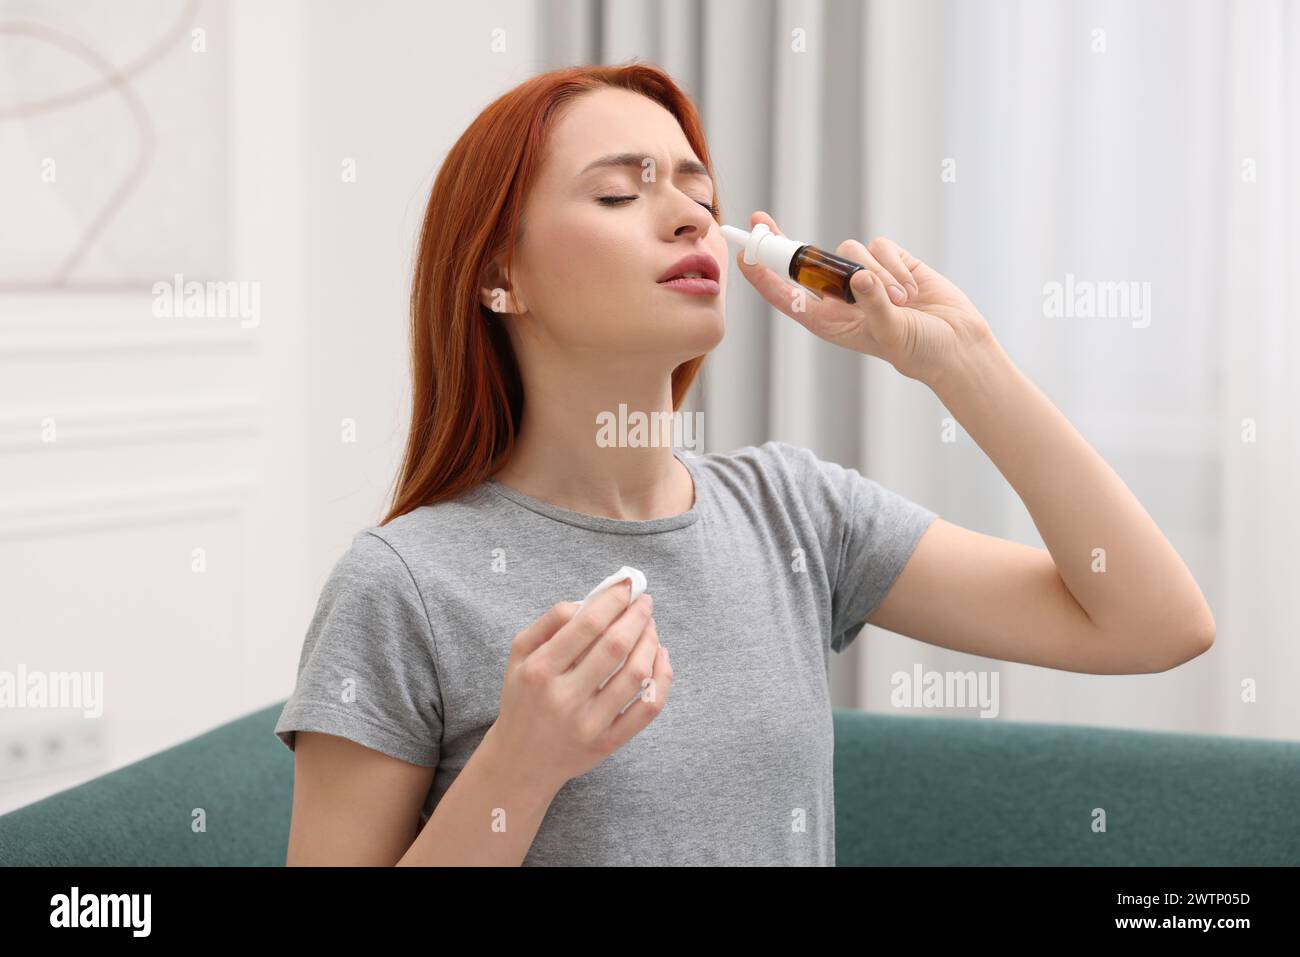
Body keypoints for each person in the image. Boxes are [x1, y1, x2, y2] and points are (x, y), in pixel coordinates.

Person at [273, 61, 1216, 866]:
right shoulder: (402, 586)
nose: (689, 217)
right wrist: (521, 763)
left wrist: (961, 362)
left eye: (701, 195)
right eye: (618, 193)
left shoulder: (794, 513)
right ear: (499, 276)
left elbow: (1152, 624)